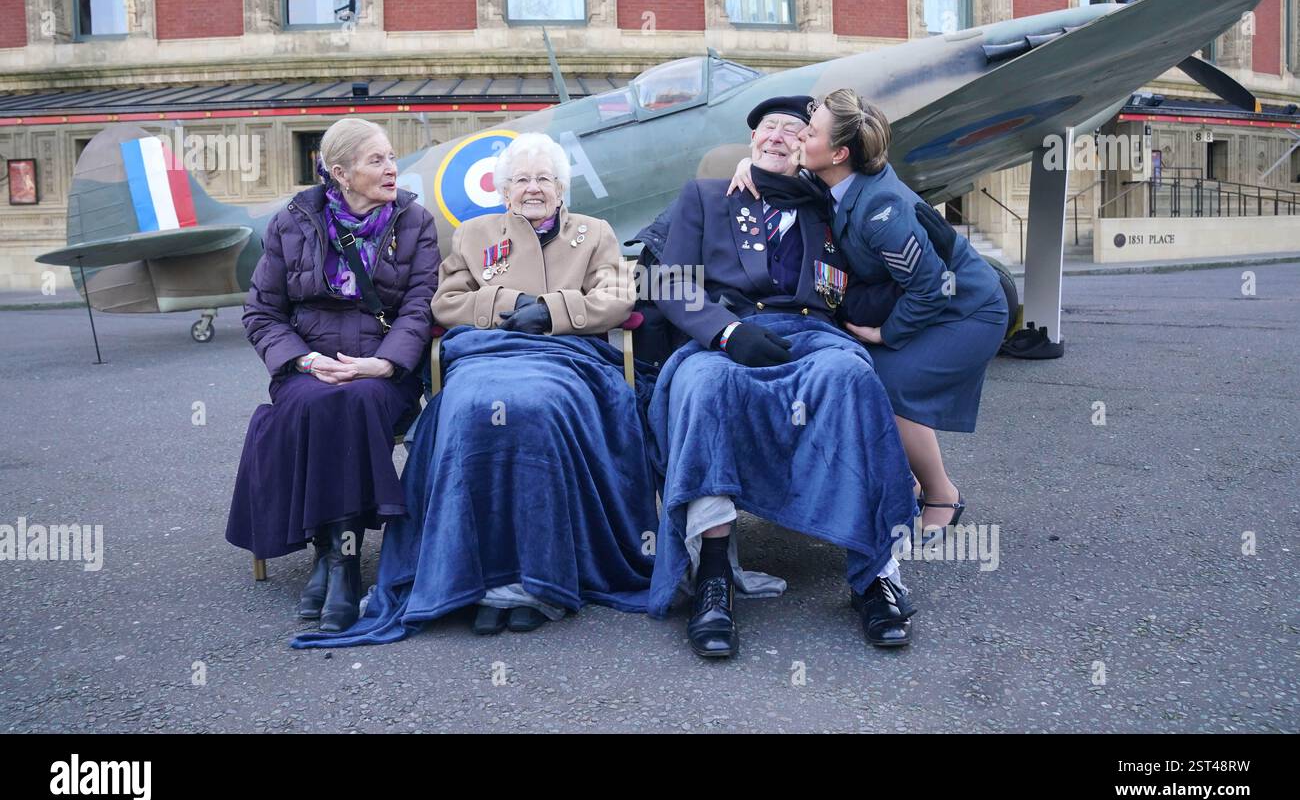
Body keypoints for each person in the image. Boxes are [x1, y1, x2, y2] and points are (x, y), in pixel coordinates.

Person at [292, 132, 658, 648]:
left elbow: (618, 298)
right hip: (486, 357)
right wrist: (509, 307)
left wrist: (552, 313)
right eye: (522, 180)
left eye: (545, 179)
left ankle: (533, 581)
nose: (533, 189)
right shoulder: (475, 232)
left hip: (567, 359)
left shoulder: (594, 233)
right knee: (468, 409)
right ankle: (478, 576)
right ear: (504, 191)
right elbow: (445, 302)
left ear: (562, 188)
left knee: (537, 410)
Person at [648, 96, 919, 657]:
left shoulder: (835, 207)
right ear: (750, 143)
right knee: (706, 387)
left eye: (794, 131)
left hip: (814, 335)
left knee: (851, 377)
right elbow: (671, 282)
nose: (776, 135)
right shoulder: (703, 196)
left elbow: (880, 231)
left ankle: (874, 576)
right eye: (766, 128)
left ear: (815, 152)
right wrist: (725, 333)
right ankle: (715, 576)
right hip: (727, 334)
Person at [227, 117, 439, 632]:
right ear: (340, 173)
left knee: (361, 399)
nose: (392, 169)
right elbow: (261, 313)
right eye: (377, 161)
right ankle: (334, 557)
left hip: (383, 367)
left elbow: (419, 308)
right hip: (309, 365)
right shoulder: (290, 222)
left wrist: (384, 362)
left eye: (391, 158)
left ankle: (336, 564)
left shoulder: (415, 221)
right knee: (317, 401)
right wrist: (303, 360)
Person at [785, 89, 1006, 546]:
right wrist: (750, 164)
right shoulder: (840, 180)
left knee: (887, 384)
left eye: (810, 132)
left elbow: (930, 287)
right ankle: (908, 483)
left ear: (839, 153)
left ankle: (941, 494)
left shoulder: (880, 212)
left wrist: (887, 333)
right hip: (936, 300)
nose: (800, 136)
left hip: (967, 309)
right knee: (871, 376)